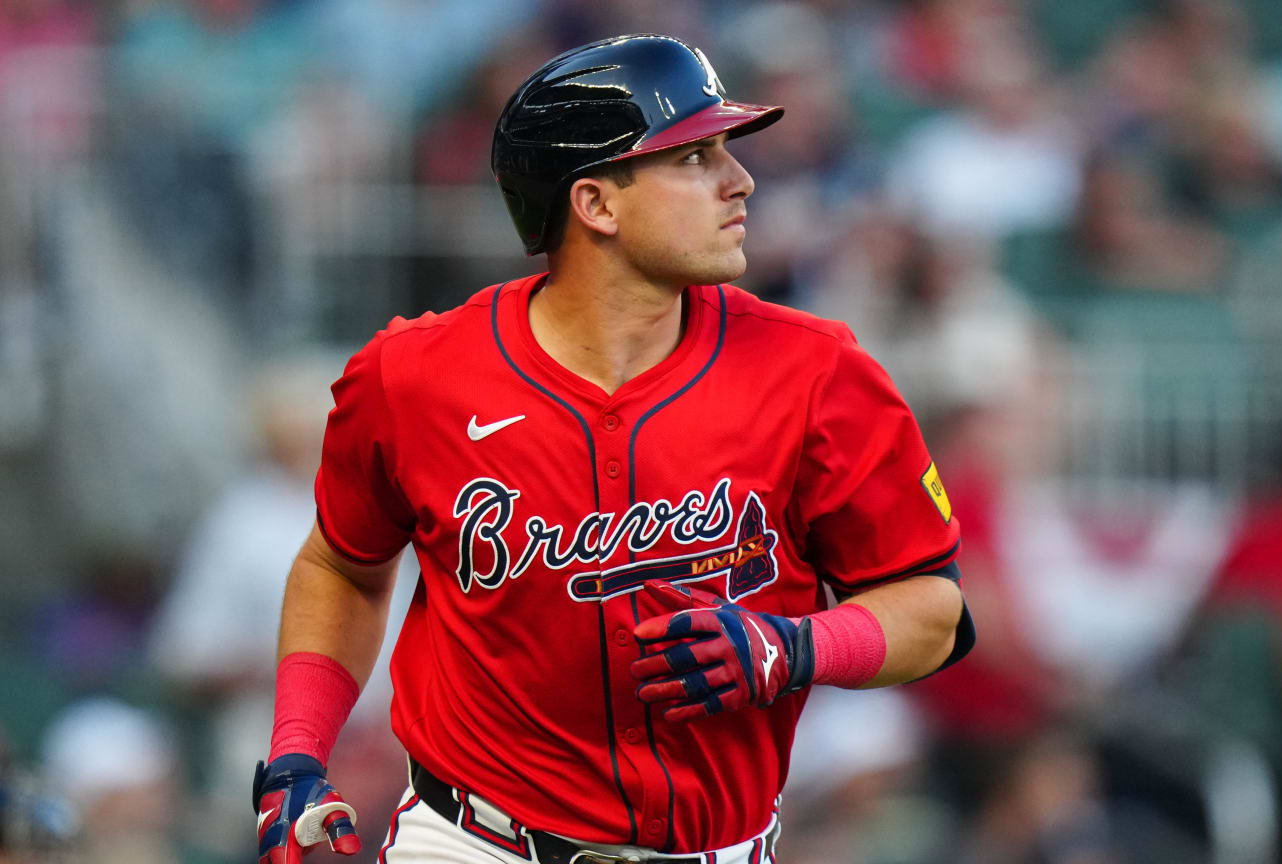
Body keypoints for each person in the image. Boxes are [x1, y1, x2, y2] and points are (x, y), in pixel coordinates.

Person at [253, 33, 974, 864]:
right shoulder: (413, 376)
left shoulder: (819, 371)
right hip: (474, 842)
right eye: (695, 157)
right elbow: (344, 565)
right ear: (596, 204)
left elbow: (935, 610)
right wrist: (298, 750)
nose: (741, 180)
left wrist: (797, 646)